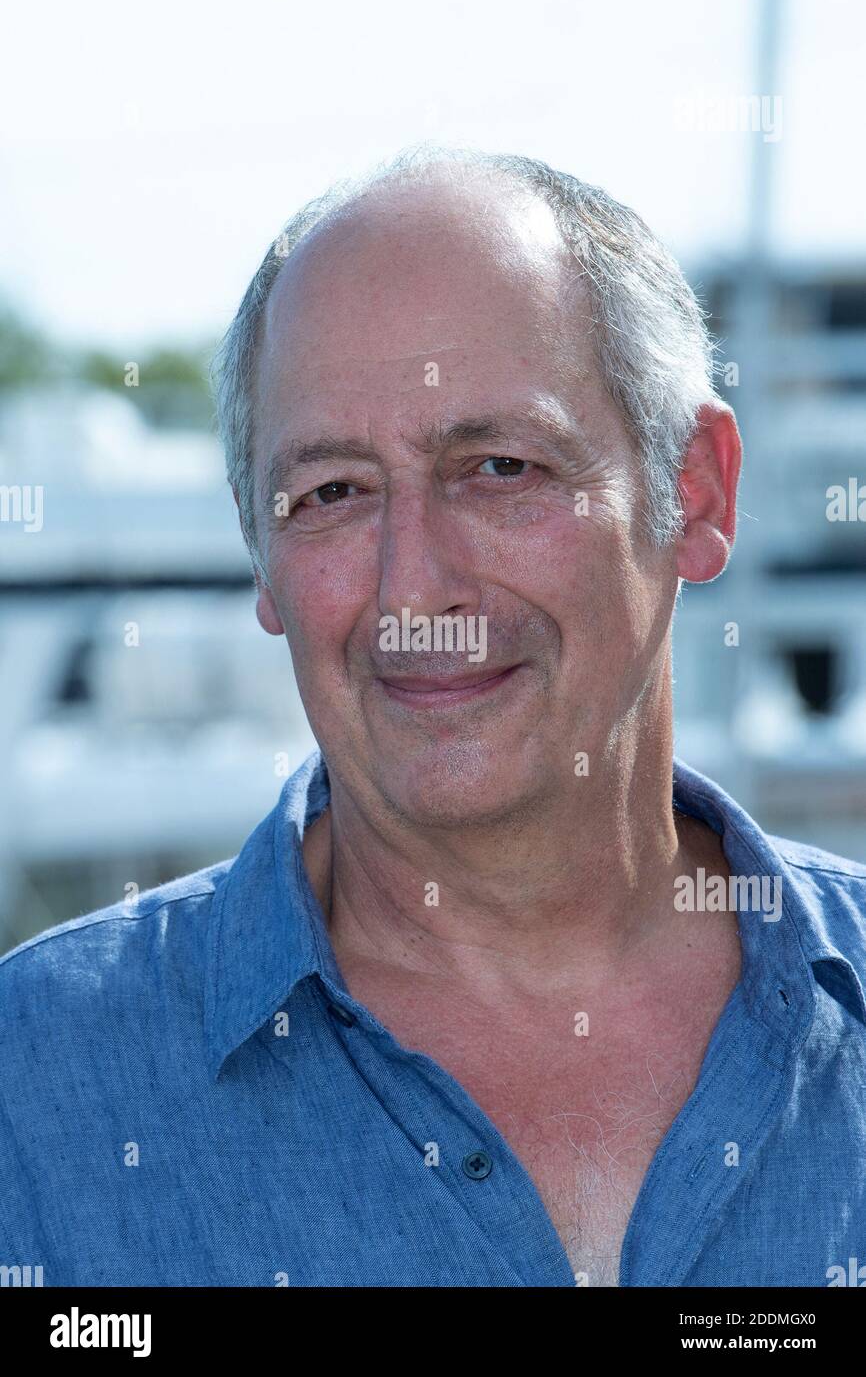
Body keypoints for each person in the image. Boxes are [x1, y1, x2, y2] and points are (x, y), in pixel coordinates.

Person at [2, 145, 864, 1289]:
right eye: (333, 494)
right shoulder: (35, 1092)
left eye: (498, 466)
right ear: (259, 553)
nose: (414, 594)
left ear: (693, 492)